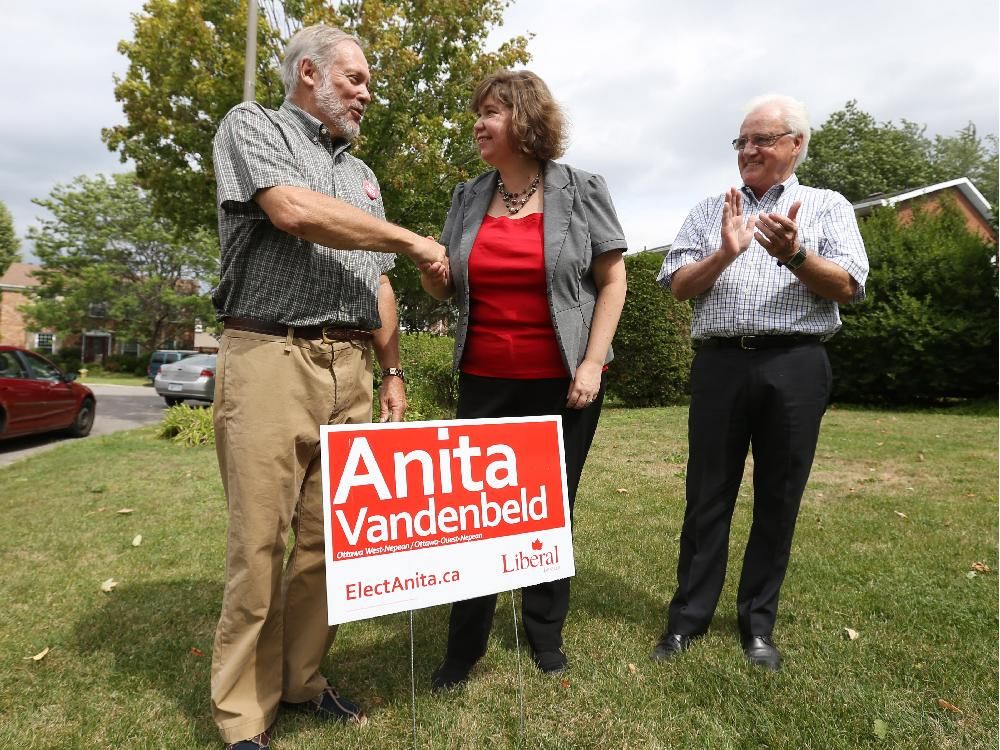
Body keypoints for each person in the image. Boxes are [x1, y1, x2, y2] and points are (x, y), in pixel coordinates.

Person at [209, 24, 445, 750]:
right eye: (356, 80)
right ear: (308, 73)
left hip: (352, 367)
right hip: (271, 354)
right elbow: (292, 211)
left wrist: (395, 368)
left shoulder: (363, 174)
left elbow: (373, 281)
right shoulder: (253, 126)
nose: (368, 93)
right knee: (261, 544)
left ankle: (303, 681)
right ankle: (244, 716)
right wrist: (409, 238)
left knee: (329, 544)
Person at [419, 70, 628, 688]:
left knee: (551, 511)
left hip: (563, 380)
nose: (478, 124)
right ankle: (464, 648)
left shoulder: (583, 188)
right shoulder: (467, 196)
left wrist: (592, 361)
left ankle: (544, 634)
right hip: (484, 377)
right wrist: (434, 272)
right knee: (476, 514)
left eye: (491, 112)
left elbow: (612, 281)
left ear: (526, 119)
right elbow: (448, 284)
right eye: (477, 113)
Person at [650, 94, 869, 672]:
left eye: (762, 140)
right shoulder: (710, 209)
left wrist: (796, 254)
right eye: (741, 141)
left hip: (796, 363)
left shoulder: (826, 205)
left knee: (779, 497)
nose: (748, 150)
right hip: (721, 363)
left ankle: (757, 626)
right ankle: (687, 621)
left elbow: (848, 286)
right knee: (707, 495)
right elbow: (676, 286)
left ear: (795, 145)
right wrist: (724, 253)